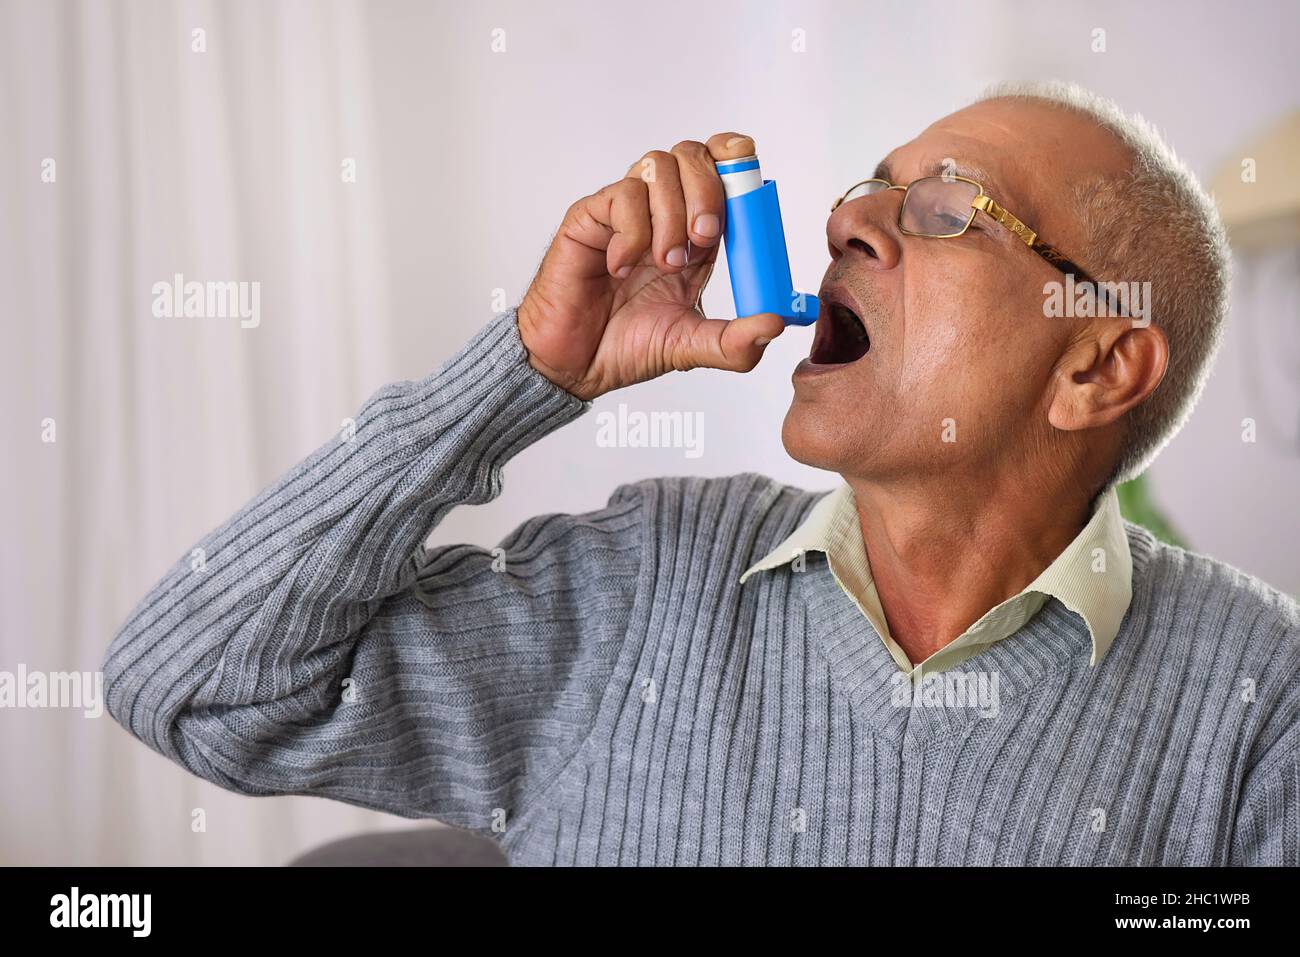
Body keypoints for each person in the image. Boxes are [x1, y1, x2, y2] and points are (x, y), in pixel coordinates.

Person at [103, 81, 1300, 865]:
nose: (853, 223)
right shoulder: (648, 576)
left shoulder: (1262, 700)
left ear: (1095, 366)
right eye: (866, 190)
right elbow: (195, 691)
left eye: (945, 211)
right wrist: (524, 370)